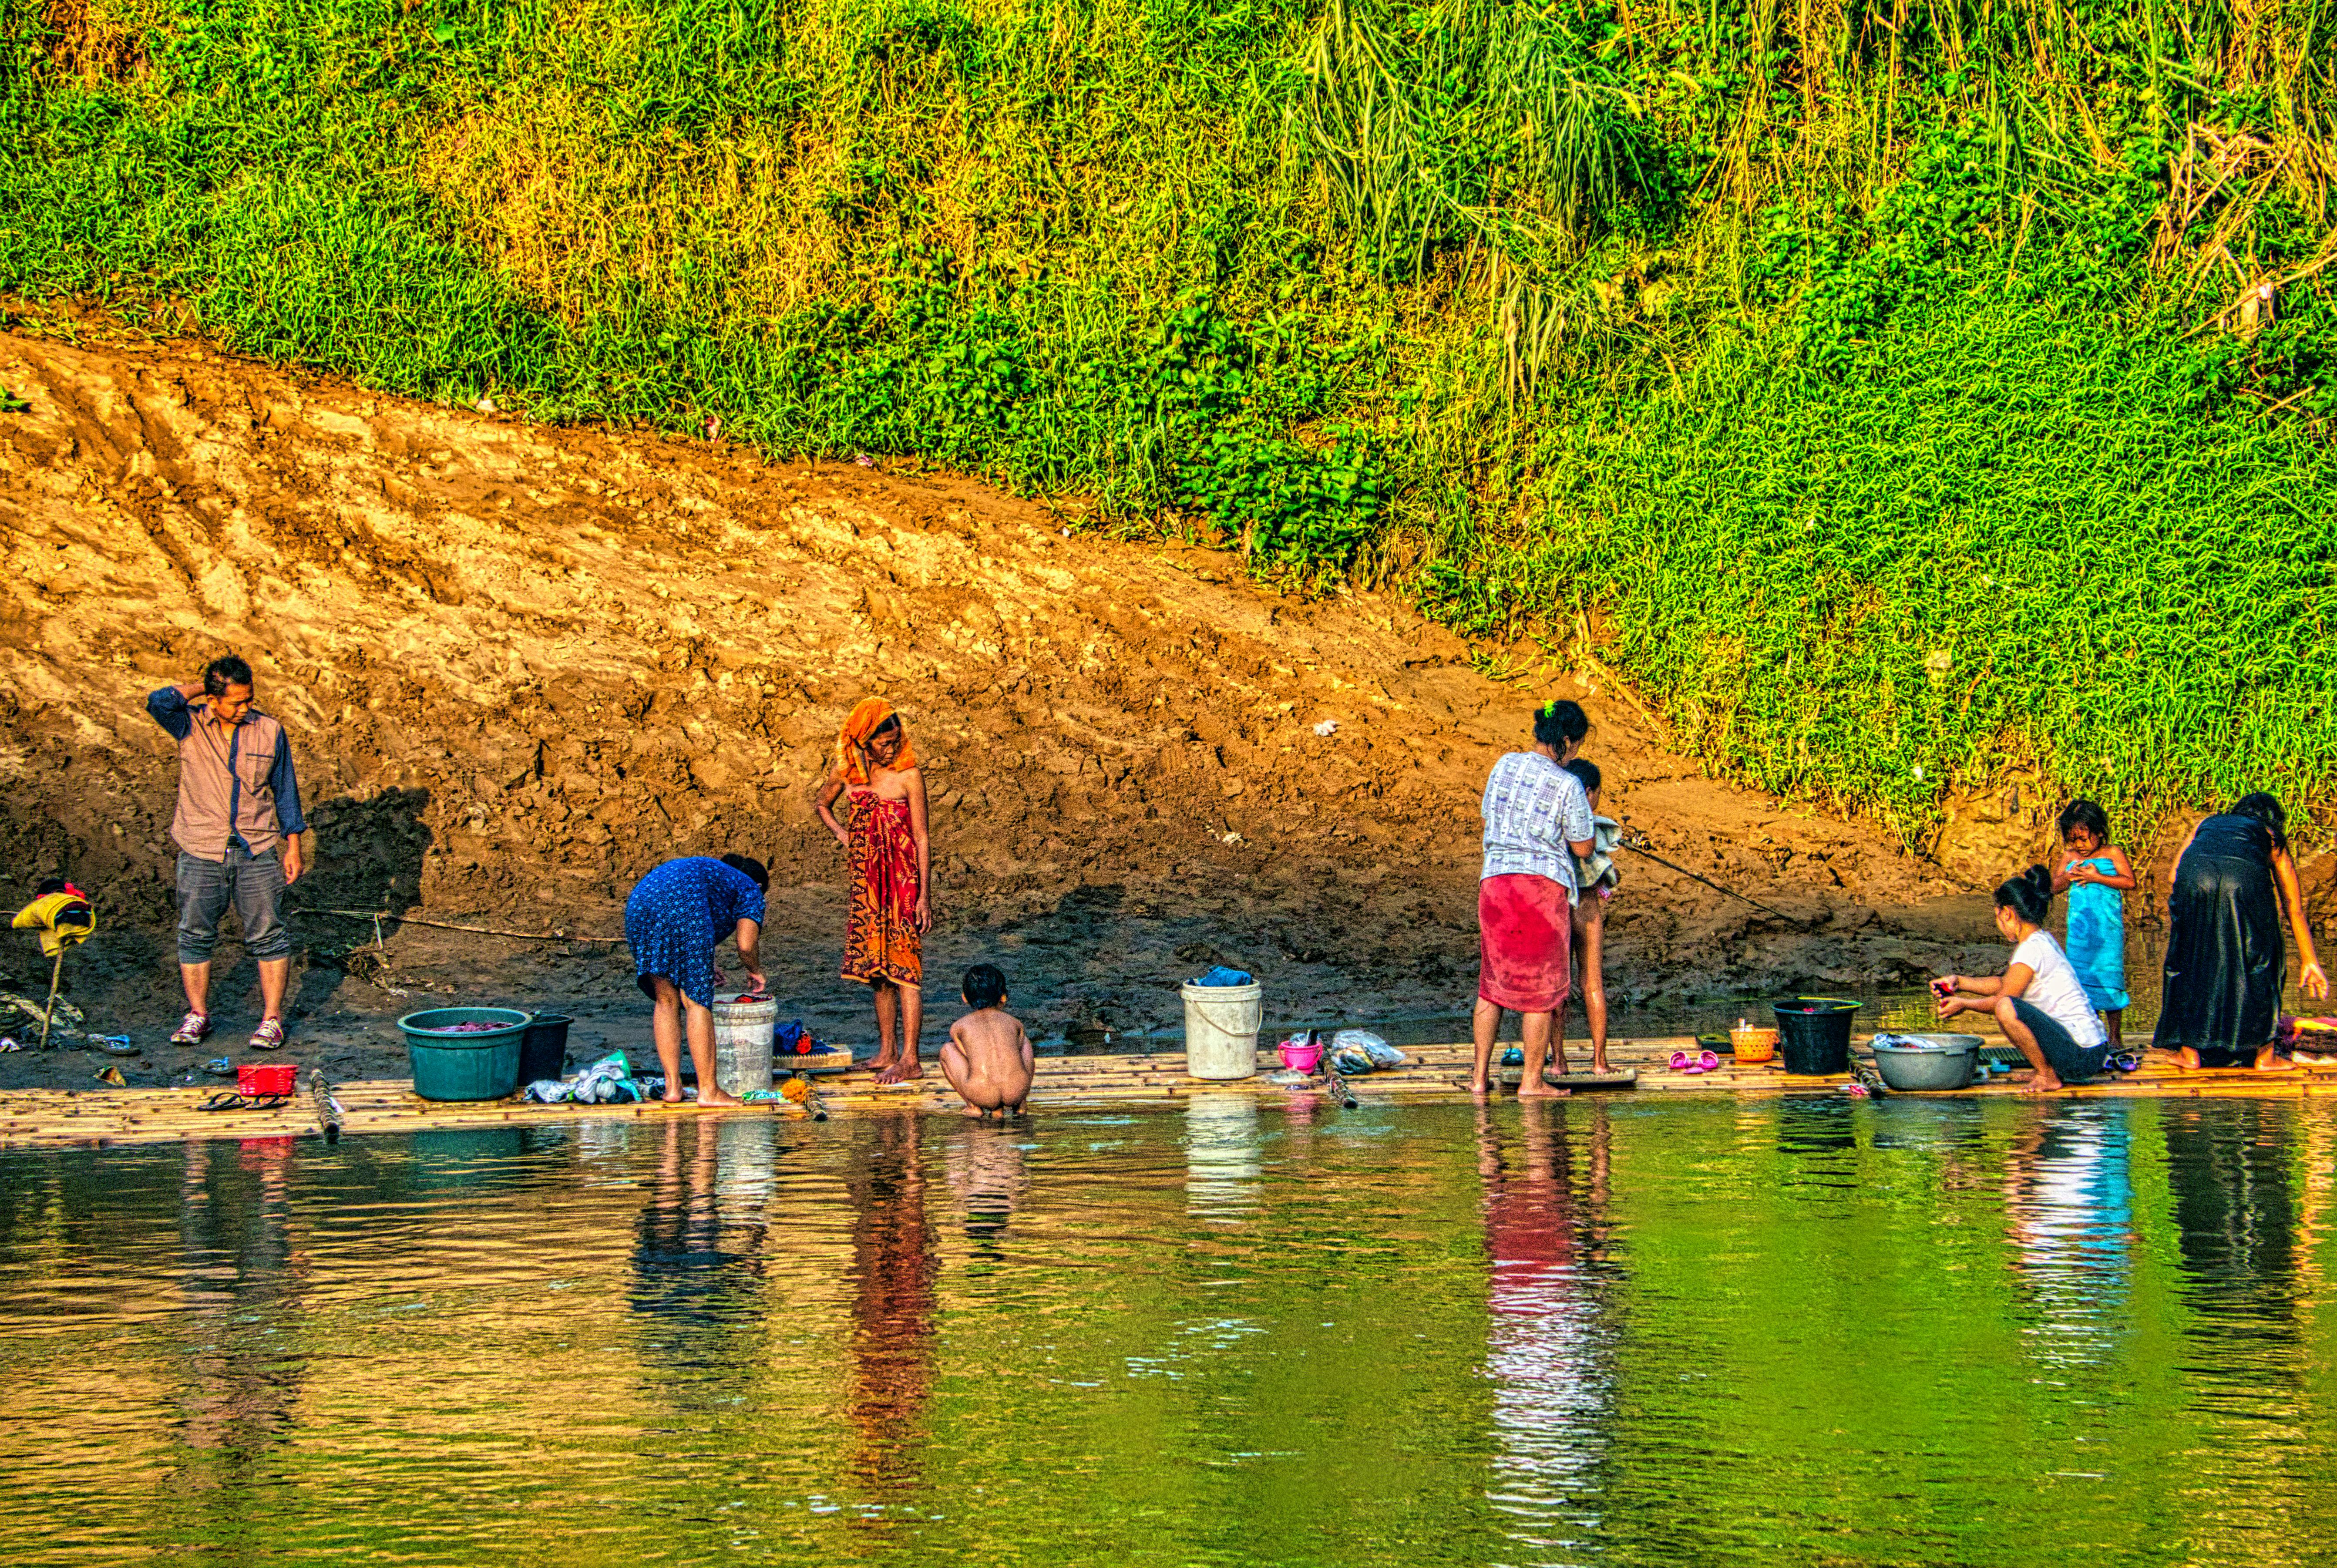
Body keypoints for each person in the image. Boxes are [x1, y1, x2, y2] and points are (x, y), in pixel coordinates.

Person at [146, 656, 307, 1050]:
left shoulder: (270, 731)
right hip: (201, 849)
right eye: (235, 701)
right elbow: (158, 702)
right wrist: (204, 688)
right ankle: (198, 1015)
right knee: (195, 935)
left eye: (248, 699)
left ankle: (272, 1020)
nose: (244, 708)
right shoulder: (189, 724)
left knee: (269, 935)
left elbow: (286, 791)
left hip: (258, 848)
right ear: (214, 699)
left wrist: (294, 846)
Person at [1470, 700, 1596, 1098]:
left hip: (1493, 884)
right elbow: (1582, 847)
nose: (1574, 752)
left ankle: (1478, 1079)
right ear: (1563, 742)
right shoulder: (1569, 784)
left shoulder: (1504, 764)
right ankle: (1531, 1082)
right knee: (1540, 993)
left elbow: (1490, 816)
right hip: (1538, 891)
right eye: (1574, 745)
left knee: (1491, 986)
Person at [2155, 793, 2328, 1069]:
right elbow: (2293, 906)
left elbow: (2173, 875)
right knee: (2260, 959)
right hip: (2243, 881)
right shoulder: (2270, 835)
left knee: (2191, 957)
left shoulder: (2208, 823)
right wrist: (2310, 960)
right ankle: (2265, 1057)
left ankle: (2189, 1053)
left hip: (2195, 879)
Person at [815, 699, 933, 1085]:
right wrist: (841, 834)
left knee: (905, 969)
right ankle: (887, 1052)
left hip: (902, 883)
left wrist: (923, 896)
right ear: (864, 739)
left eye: (895, 740)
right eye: (884, 742)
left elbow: (921, 836)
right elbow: (822, 803)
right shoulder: (847, 773)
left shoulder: (909, 776)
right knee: (876, 971)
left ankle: (911, 1059)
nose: (891, 748)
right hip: (866, 884)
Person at [1933, 866, 2112, 1094]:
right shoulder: (2041, 940)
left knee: (2006, 1008)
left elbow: (2004, 999)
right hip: (2090, 1051)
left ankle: (2046, 1075)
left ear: (2006, 913)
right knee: (2008, 1003)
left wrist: (1965, 1004)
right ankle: (2045, 1069)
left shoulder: (2031, 949)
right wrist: (1960, 982)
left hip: (2083, 1055)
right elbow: (2007, 984)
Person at [623, 854, 768, 1107]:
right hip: (683, 910)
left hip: (641, 903)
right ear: (759, 885)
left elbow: (680, 915)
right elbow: (746, 945)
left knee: (665, 999)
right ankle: (709, 1091)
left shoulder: (712, 875)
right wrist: (754, 969)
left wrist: (704, 960)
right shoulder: (749, 887)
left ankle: (672, 1088)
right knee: (696, 1001)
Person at [2048, 799, 2135, 1051]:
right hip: (2080, 933)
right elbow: (2054, 887)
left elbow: (2130, 882)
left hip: (2108, 933)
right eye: (2074, 840)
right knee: (2083, 982)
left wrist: (2097, 877)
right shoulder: (2070, 857)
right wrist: (2069, 875)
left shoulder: (2113, 853)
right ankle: (2093, 1034)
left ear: (2099, 833)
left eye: (2084, 839)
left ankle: (2116, 1036)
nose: (2079, 846)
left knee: (2110, 979)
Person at [1561, 757, 1621, 1076]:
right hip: (1585, 909)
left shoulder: (1556, 821)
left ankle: (1558, 1062)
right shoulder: (1588, 826)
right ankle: (1599, 1061)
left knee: (1558, 988)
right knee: (1592, 984)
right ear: (1588, 791)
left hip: (1557, 908)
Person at [941, 963, 1033, 1119]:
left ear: (965, 998)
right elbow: (1015, 1052)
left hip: (982, 1093)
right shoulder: (1015, 1023)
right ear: (1003, 997)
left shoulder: (959, 1027)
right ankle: (1021, 1104)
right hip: (1017, 1089)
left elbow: (969, 1057)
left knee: (947, 1050)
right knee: (1025, 1043)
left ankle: (973, 1106)